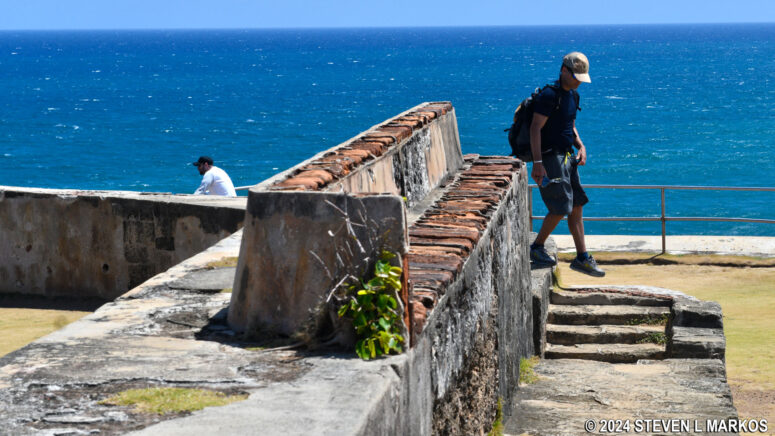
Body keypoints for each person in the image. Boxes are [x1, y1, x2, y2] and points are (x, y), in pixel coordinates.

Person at [528, 52, 604, 277]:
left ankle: (582, 258)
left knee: (577, 204)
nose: (579, 81)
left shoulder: (573, 96)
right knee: (561, 206)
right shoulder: (549, 96)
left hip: (567, 156)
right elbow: (535, 128)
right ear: (564, 70)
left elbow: (569, 124)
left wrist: (581, 145)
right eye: (576, 76)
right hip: (550, 157)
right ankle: (536, 247)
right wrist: (538, 163)